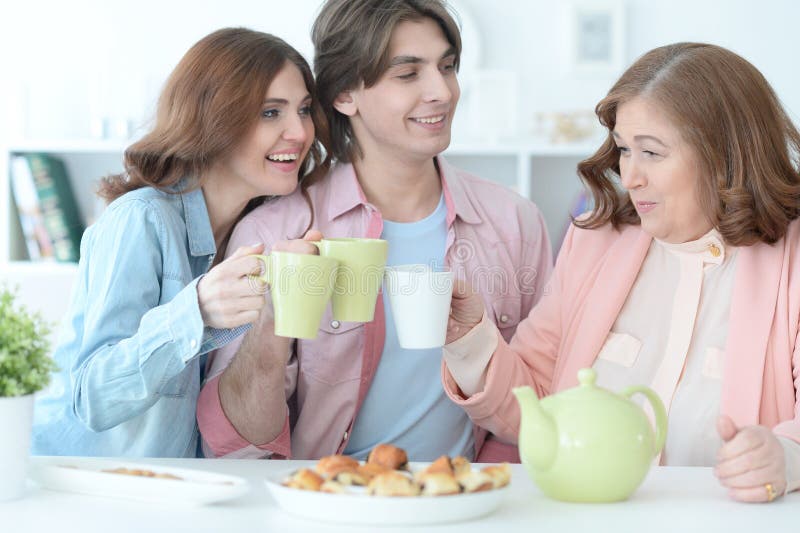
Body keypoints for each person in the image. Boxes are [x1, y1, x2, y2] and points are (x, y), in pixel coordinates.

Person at [196, 0, 553, 462]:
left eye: (447, 67)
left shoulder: (513, 222)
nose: (441, 91)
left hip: (467, 501)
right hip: (330, 503)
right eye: (408, 75)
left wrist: (486, 491)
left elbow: (543, 393)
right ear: (344, 94)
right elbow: (236, 446)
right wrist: (270, 324)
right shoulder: (275, 230)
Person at [442, 42, 800, 501]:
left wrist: (785, 458)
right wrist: (470, 339)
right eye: (624, 151)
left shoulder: (788, 257)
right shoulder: (596, 242)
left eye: (651, 153)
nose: (629, 176)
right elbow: (535, 406)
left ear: (724, 155)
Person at [31, 27, 330, 457]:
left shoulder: (256, 231)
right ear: (215, 118)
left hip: (179, 493)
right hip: (85, 494)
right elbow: (92, 396)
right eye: (270, 113)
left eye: (303, 110)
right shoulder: (140, 220)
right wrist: (196, 311)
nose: (300, 133)